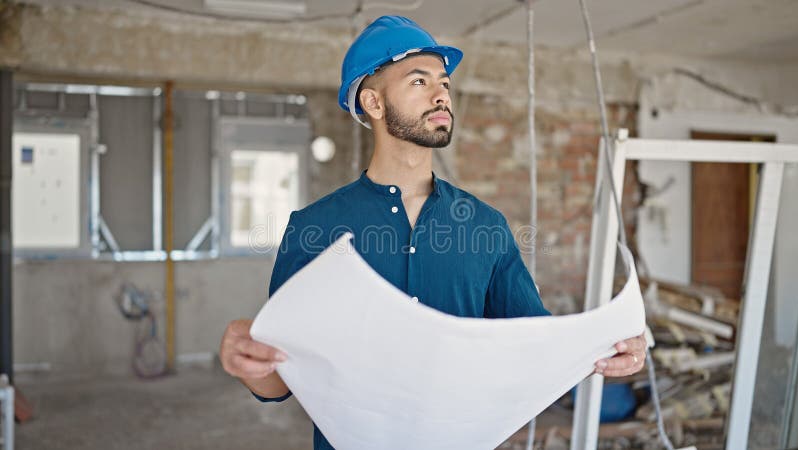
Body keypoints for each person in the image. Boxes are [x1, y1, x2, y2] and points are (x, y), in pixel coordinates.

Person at [219, 15, 646, 449]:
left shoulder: (485, 226)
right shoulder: (314, 229)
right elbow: (278, 382)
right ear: (374, 102)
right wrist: (245, 362)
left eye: (444, 82)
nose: (442, 93)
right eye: (419, 81)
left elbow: (539, 347)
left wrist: (607, 349)